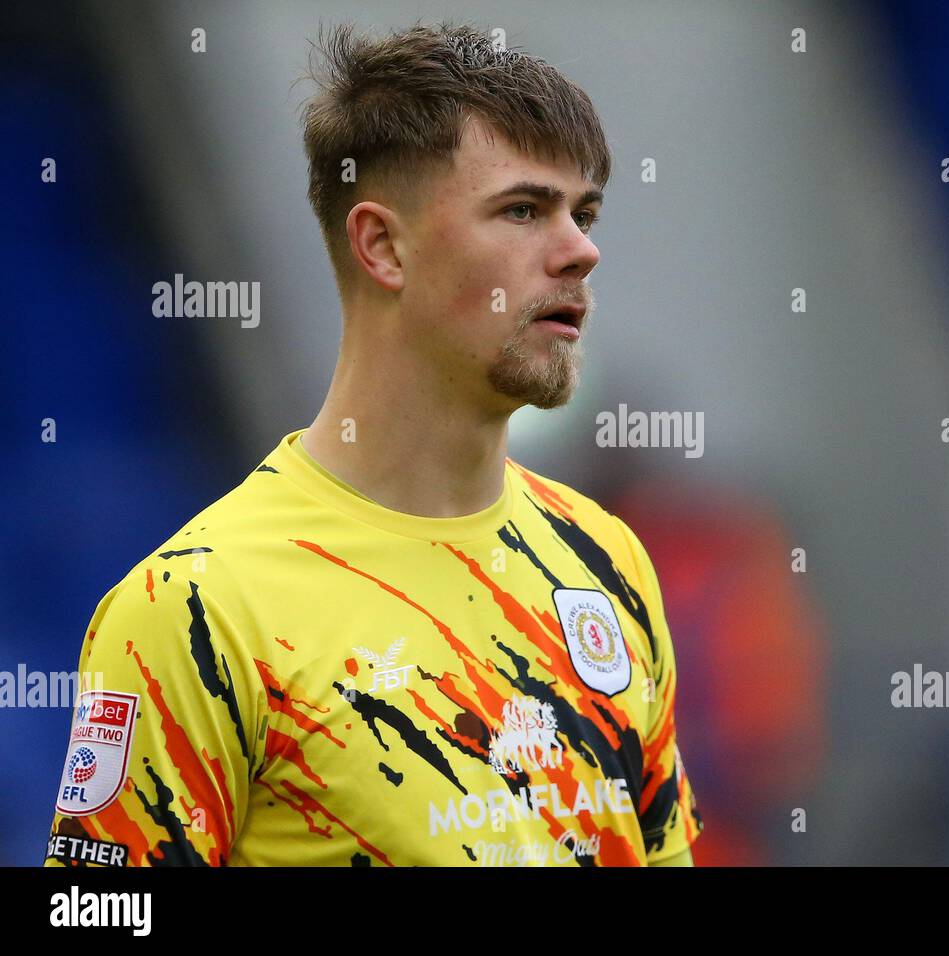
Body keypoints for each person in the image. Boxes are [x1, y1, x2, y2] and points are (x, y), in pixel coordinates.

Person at [42, 21, 702, 867]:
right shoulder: (194, 610)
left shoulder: (608, 564)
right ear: (383, 246)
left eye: (585, 213)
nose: (581, 250)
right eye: (524, 210)